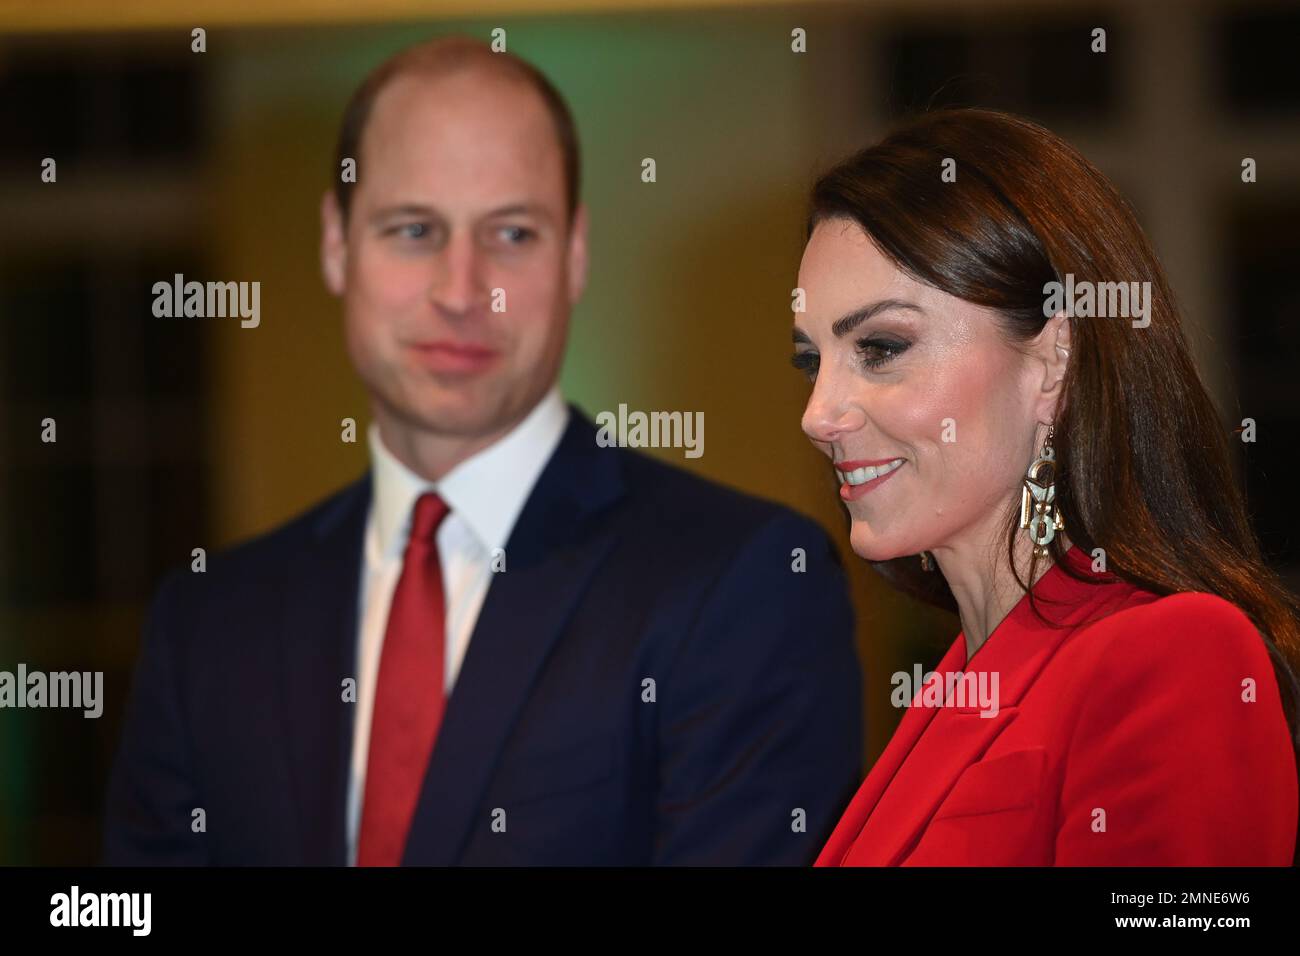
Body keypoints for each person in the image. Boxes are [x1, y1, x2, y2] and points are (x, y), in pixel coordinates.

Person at [103, 36, 862, 866]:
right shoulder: (207, 624)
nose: (462, 291)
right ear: (335, 242)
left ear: (575, 253)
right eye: (414, 229)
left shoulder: (745, 585)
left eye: (511, 233)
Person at [791, 108, 1299, 866]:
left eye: (881, 347)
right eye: (812, 360)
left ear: (1054, 361)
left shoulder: (1176, 654)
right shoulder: (957, 682)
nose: (818, 414)